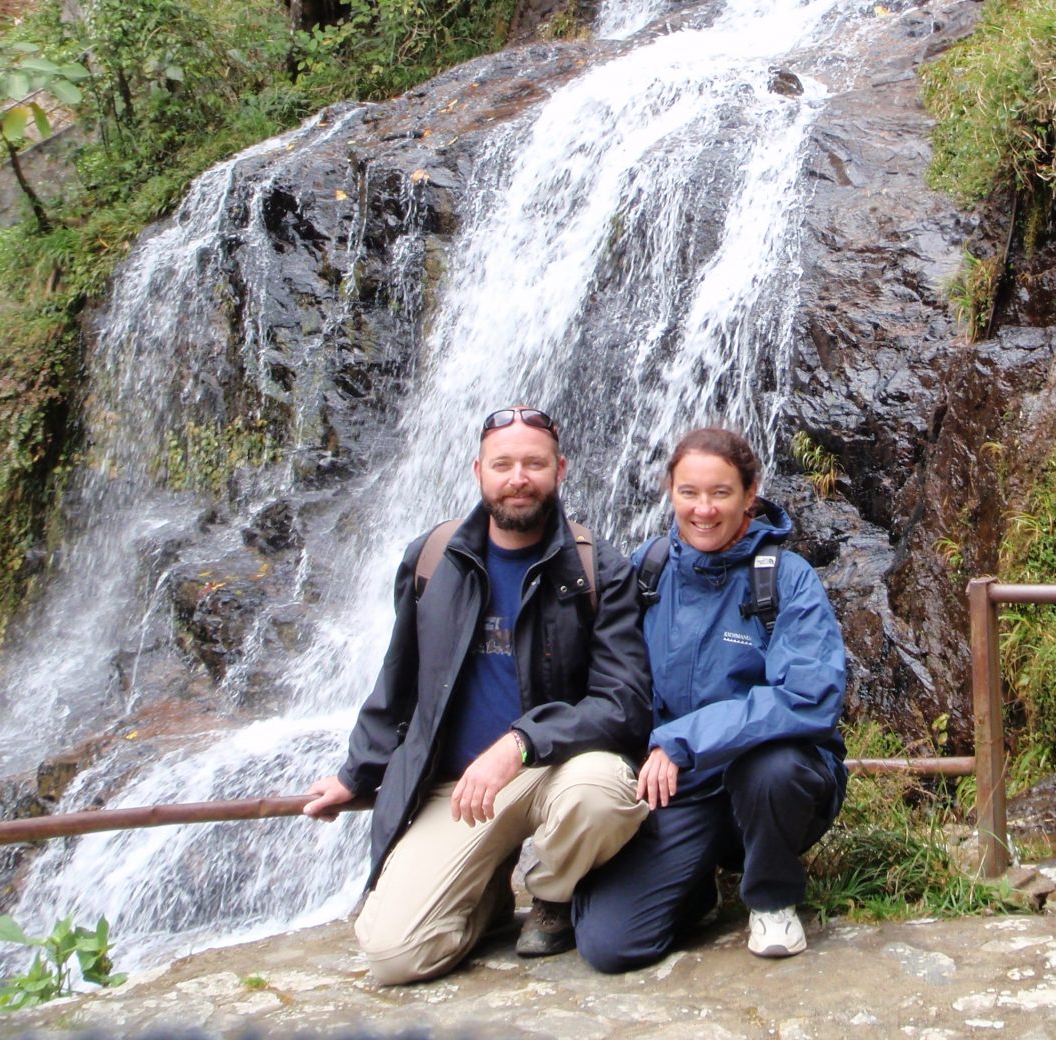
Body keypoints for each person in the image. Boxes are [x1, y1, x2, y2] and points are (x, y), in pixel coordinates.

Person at [302, 405, 652, 983]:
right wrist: (357, 773)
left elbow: (624, 703)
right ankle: (485, 898)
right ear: (478, 471)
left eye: (534, 463)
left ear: (560, 469)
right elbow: (399, 678)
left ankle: (552, 896)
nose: (519, 478)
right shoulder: (432, 560)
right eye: (504, 464)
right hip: (456, 787)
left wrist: (520, 743)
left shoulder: (598, 570)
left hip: (553, 772)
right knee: (392, 956)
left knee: (602, 792)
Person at [574, 426, 847, 972]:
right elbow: (609, 681)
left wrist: (684, 739)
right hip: (683, 788)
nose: (704, 509)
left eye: (721, 493)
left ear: (750, 494)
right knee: (611, 945)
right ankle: (697, 889)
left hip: (776, 781)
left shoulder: (785, 580)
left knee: (770, 767)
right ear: (669, 491)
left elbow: (809, 697)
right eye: (689, 493)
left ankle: (772, 898)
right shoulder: (645, 572)